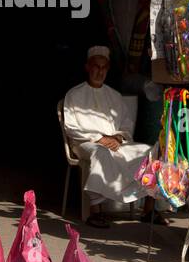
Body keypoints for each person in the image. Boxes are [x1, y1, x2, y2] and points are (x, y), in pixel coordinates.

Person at [62, 46, 152, 227]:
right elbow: (71, 127)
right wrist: (99, 139)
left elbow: (126, 124)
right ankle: (96, 212)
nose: (100, 71)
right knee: (100, 152)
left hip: (114, 142)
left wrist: (118, 138)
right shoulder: (74, 94)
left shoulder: (114, 96)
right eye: (96, 66)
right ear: (88, 67)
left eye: (104, 67)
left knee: (148, 151)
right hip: (85, 142)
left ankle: (149, 210)